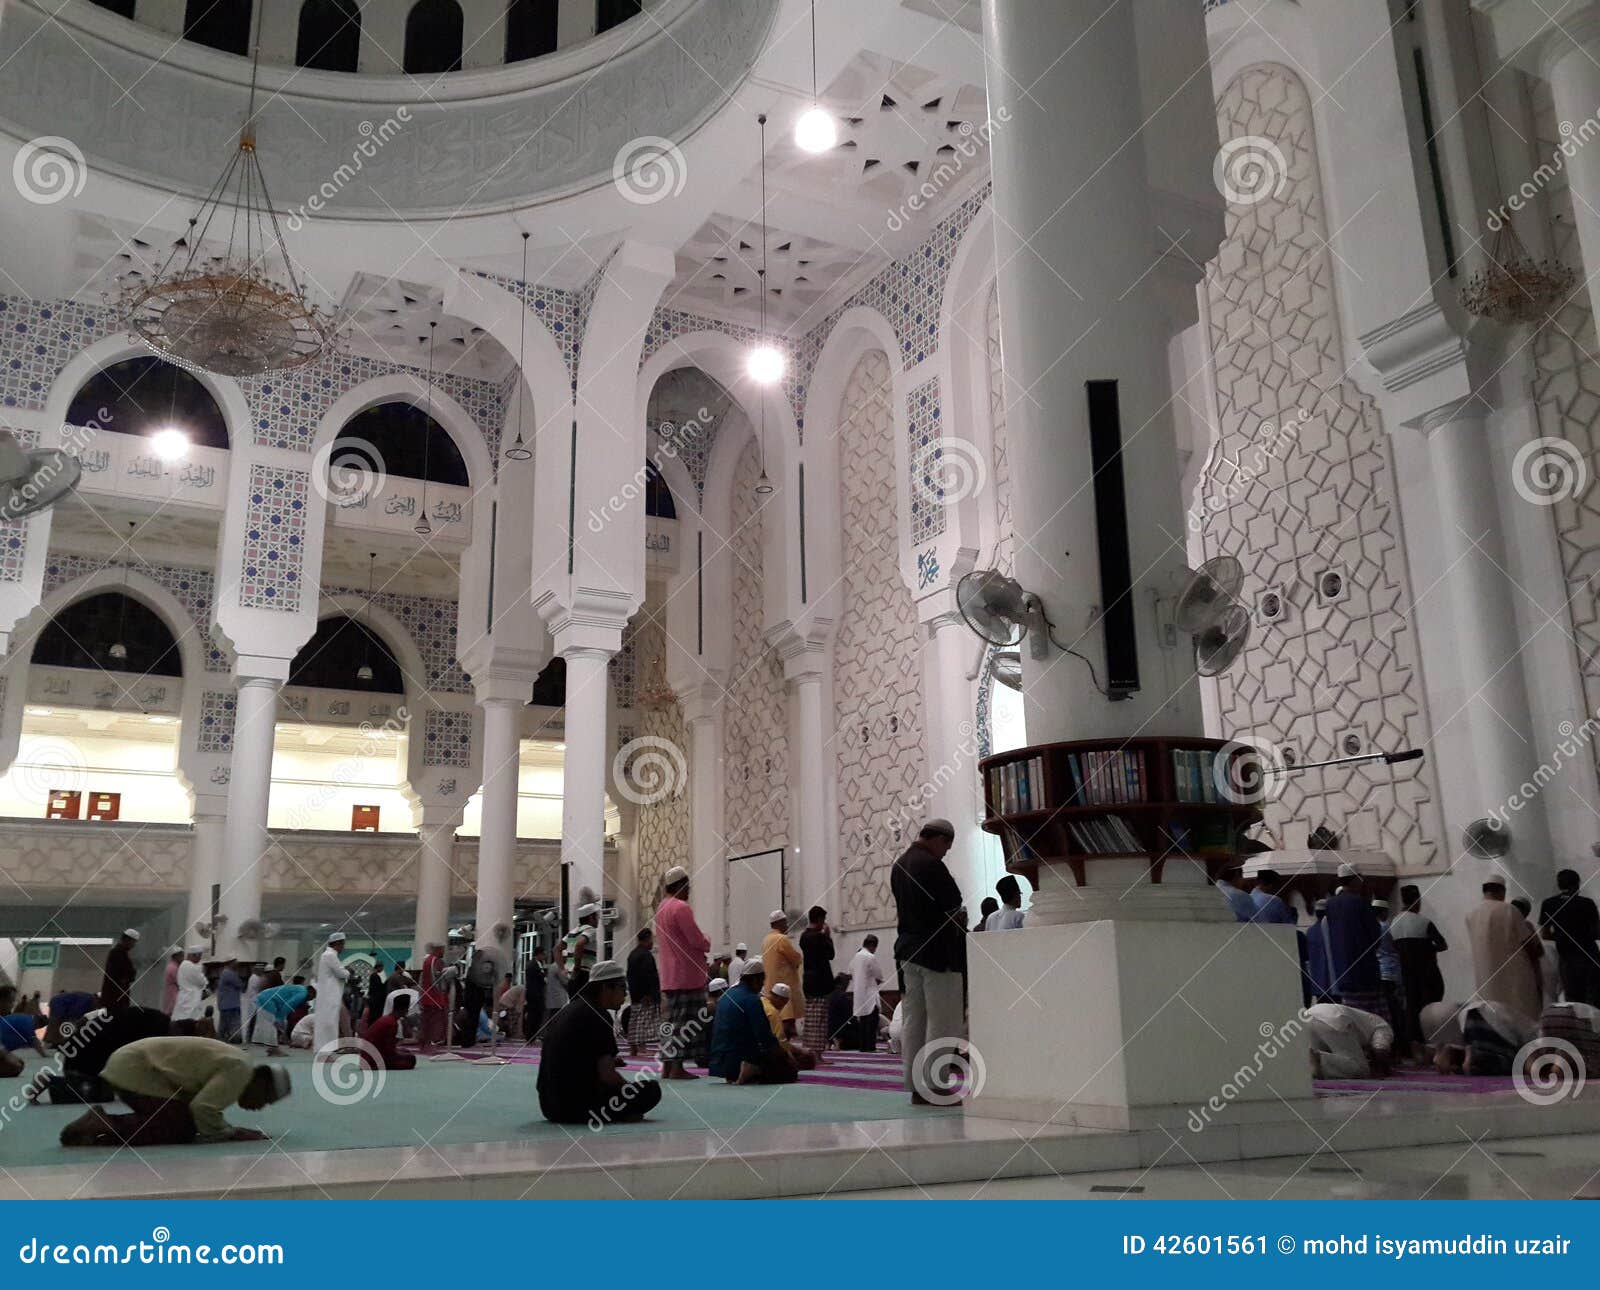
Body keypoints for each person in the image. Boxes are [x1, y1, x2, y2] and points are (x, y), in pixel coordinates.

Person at [59, 1036, 290, 1147]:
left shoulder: (240, 1064)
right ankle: (102, 1123)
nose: (261, 1107)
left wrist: (220, 1128)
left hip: (131, 1063)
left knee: (183, 1124)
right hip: (137, 1068)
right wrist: (230, 1132)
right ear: (262, 1083)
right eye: (267, 1099)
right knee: (176, 1128)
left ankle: (103, 1129)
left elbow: (198, 1107)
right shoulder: (240, 1070)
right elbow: (203, 1108)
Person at [891, 818, 966, 1105]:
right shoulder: (932, 865)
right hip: (937, 953)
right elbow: (953, 905)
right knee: (943, 1020)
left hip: (907, 952)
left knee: (914, 1021)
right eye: (947, 846)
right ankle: (935, 1085)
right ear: (940, 839)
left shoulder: (899, 864)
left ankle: (916, 1086)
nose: (946, 852)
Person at [537, 960, 662, 1125]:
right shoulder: (598, 1015)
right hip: (576, 1109)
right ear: (605, 988)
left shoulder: (571, 1008)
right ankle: (618, 1114)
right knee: (651, 1090)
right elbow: (608, 1076)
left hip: (549, 1107)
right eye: (622, 988)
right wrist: (628, 1088)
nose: (625, 995)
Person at [655, 866, 711, 1078]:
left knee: (669, 1024)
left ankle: (667, 1067)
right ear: (678, 886)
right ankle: (677, 1068)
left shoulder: (661, 907)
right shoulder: (680, 907)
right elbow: (696, 939)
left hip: (670, 976)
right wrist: (708, 941)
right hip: (686, 974)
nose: (689, 891)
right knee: (683, 1023)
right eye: (687, 887)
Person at [1467, 873, 1544, 1022]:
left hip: (1485, 978)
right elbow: (1530, 946)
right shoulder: (1510, 910)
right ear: (1502, 891)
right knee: (1524, 1021)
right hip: (1515, 979)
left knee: (1496, 1022)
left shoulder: (1471, 915)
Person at [708, 963, 792, 1084]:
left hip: (718, 1063)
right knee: (789, 1072)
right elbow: (764, 1037)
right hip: (738, 1061)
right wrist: (785, 1056)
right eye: (762, 981)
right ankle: (750, 1069)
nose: (762, 985)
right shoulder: (751, 999)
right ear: (754, 980)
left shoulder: (726, 996)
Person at [1389, 885, 1447, 1051]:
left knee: (1411, 1010)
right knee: (1430, 1009)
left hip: (1406, 975)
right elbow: (1443, 945)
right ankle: (1433, 1045)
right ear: (1417, 901)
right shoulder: (1424, 922)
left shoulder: (1394, 922)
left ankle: (1414, 1047)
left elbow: (1393, 948)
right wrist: (1427, 949)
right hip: (1428, 975)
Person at [1323, 863, 1385, 1015]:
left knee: (1353, 1016)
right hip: (1364, 972)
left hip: (1342, 972)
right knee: (1372, 1017)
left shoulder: (1331, 904)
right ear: (1355, 880)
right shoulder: (1360, 902)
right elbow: (1375, 936)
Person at [1422, 999, 1538, 1076]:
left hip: (1473, 1016)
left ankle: (1470, 1056)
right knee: (1518, 1065)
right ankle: (1475, 1057)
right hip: (1482, 1021)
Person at [1539, 869, 1600, 1006]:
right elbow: (1597, 932)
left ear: (1559, 885)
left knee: (1573, 1000)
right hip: (1589, 955)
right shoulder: (1587, 903)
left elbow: (1544, 934)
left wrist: (1562, 936)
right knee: (1594, 997)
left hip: (1566, 957)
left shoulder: (1548, 903)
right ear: (1578, 884)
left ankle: (1577, 1026)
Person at [1304, 1003, 1395, 1080]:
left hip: (1310, 1016)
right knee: (1361, 1068)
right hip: (1334, 1019)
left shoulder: (1367, 1019)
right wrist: (1385, 1069)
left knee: (1316, 1060)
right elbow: (1380, 1049)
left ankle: (1311, 1059)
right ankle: (1319, 1059)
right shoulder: (1384, 1026)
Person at [798, 906, 835, 1059]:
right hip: (820, 982)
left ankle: (809, 1051)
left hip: (808, 980)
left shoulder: (803, 936)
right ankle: (817, 1054)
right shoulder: (819, 937)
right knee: (819, 1019)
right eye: (824, 919)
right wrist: (828, 937)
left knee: (811, 1018)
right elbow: (830, 955)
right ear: (819, 919)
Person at [761, 909, 804, 1032]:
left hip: (771, 987)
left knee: (776, 1020)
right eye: (785, 922)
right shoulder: (781, 939)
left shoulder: (766, 940)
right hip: (784, 986)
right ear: (778, 923)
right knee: (787, 1021)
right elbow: (795, 958)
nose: (787, 925)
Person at [625, 928, 661, 1057]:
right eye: (651, 939)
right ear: (646, 939)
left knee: (634, 1021)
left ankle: (633, 1048)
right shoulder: (645, 955)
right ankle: (641, 1048)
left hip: (635, 994)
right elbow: (648, 976)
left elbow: (630, 976)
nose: (652, 943)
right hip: (644, 995)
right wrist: (649, 994)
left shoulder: (632, 954)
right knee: (642, 1021)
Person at [314, 931, 350, 1058]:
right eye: (343, 944)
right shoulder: (330, 955)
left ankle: (324, 1053)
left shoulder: (328, 955)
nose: (343, 947)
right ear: (337, 943)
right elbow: (341, 973)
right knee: (329, 1024)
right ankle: (325, 1054)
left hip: (329, 995)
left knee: (328, 1023)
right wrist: (348, 972)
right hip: (330, 995)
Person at [765, 982, 816, 1070]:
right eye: (784, 1003)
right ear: (778, 998)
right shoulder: (772, 1012)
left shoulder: (761, 1001)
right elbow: (781, 1043)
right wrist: (799, 1053)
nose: (783, 1006)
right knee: (807, 1058)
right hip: (758, 1052)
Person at [849, 934, 885, 1052]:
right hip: (870, 992)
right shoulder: (870, 956)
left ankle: (863, 1046)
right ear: (872, 945)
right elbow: (878, 975)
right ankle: (871, 1046)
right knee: (872, 1021)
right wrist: (878, 980)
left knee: (863, 1021)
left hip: (858, 993)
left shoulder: (855, 957)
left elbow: (851, 972)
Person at [249, 982, 305, 1055]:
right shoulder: (303, 993)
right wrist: (280, 1019)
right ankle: (274, 1048)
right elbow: (288, 1005)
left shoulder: (296, 989)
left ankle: (271, 1048)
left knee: (266, 1023)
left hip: (262, 997)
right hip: (268, 999)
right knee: (273, 1024)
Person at [363, 994, 416, 1071]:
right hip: (372, 1061)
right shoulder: (392, 1023)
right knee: (411, 1059)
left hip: (367, 1057)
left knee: (405, 1052)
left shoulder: (387, 1019)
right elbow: (389, 1051)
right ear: (404, 1010)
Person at [418, 942, 450, 1048]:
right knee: (435, 1020)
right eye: (442, 950)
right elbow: (436, 980)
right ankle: (434, 1040)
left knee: (426, 1020)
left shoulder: (426, 961)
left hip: (426, 996)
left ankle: (424, 1041)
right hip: (434, 996)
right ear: (437, 949)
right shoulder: (436, 961)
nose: (444, 952)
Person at [171, 946, 209, 1035]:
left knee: (181, 1021)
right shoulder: (191, 966)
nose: (199, 959)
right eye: (199, 956)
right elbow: (202, 982)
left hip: (184, 997)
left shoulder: (183, 965)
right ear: (194, 955)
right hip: (191, 999)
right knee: (189, 1024)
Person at [565, 903, 601, 994]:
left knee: (575, 1004)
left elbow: (557, 949)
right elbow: (579, 944)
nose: (598, 920)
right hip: (583, 974)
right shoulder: (590, 929)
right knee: (587, 1003)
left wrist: (563, 969)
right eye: (597, 917)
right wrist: (577, 967)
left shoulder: (572, 932)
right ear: (591, 918)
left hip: (571, 976)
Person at [100, 929, 139, 1013]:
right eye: (133, 942)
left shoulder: (120, 952)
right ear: (127, 940)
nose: (134, 945)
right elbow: (124, 974)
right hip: (115, 998)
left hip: (116, 997)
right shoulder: (118, 953)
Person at [215, 958, 244, 1042]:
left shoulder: (226, 973)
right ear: (230, 963)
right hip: (231, 1004)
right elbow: (239, 984)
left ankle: (222, 1039)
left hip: (226, 1004)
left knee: (224, 1023)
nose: (237, 964)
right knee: (233, 1023)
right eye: (235, 962)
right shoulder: (229, 973)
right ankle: (234, 1038)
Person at [524, 949, 547, 1043]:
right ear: (539, 954)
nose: (544, 957)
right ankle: (531, 1036)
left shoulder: (533, 964)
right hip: (535, 994)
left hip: (534, 993)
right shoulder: (534, 965)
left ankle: (531, 1036)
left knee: (535, 1016)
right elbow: (541, 978)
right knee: (534, 1016)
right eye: (543, 955)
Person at [496, 975, 525, 1041]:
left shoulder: (519, 987)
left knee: (505, 1020)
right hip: (506, 1005)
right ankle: (514, 1035)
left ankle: (510, 1034)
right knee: (514, 1018)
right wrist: (520, 1031)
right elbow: (520, 1008)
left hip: (503, 1004)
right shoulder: (523, 989)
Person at [162, 949, 182, 1016]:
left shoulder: (171, 966)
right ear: (175, 956)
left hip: (171, 994)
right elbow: (180, 982)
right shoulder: (173, 967)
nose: (182, 958)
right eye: (180, 955)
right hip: (173, 995)